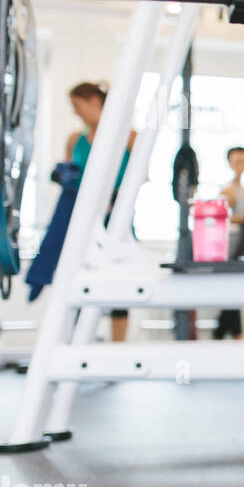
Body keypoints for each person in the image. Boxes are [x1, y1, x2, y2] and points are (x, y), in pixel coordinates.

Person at [67, 82, 136, 343]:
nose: (76, 113)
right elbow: (69, 179)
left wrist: (113, 199)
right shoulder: (76, 140)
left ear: (95, 101)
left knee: (119, 280)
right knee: (81, 277)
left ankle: (118, 346)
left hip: (117, 218)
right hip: (83, 220)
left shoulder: (129, 137)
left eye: (77, 106)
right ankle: (79, 344)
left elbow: (141, 176)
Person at [215, 146, 244, 340]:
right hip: (228, 249)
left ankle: (226, 335)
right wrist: (243, 218)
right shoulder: (229, 190)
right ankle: (234, 335)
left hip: (238, 247)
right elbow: (217, 216)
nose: (240, 166)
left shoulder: (240, 188)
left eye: (243, 161)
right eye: (236, 162)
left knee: (231, 295)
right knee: (230, 294)